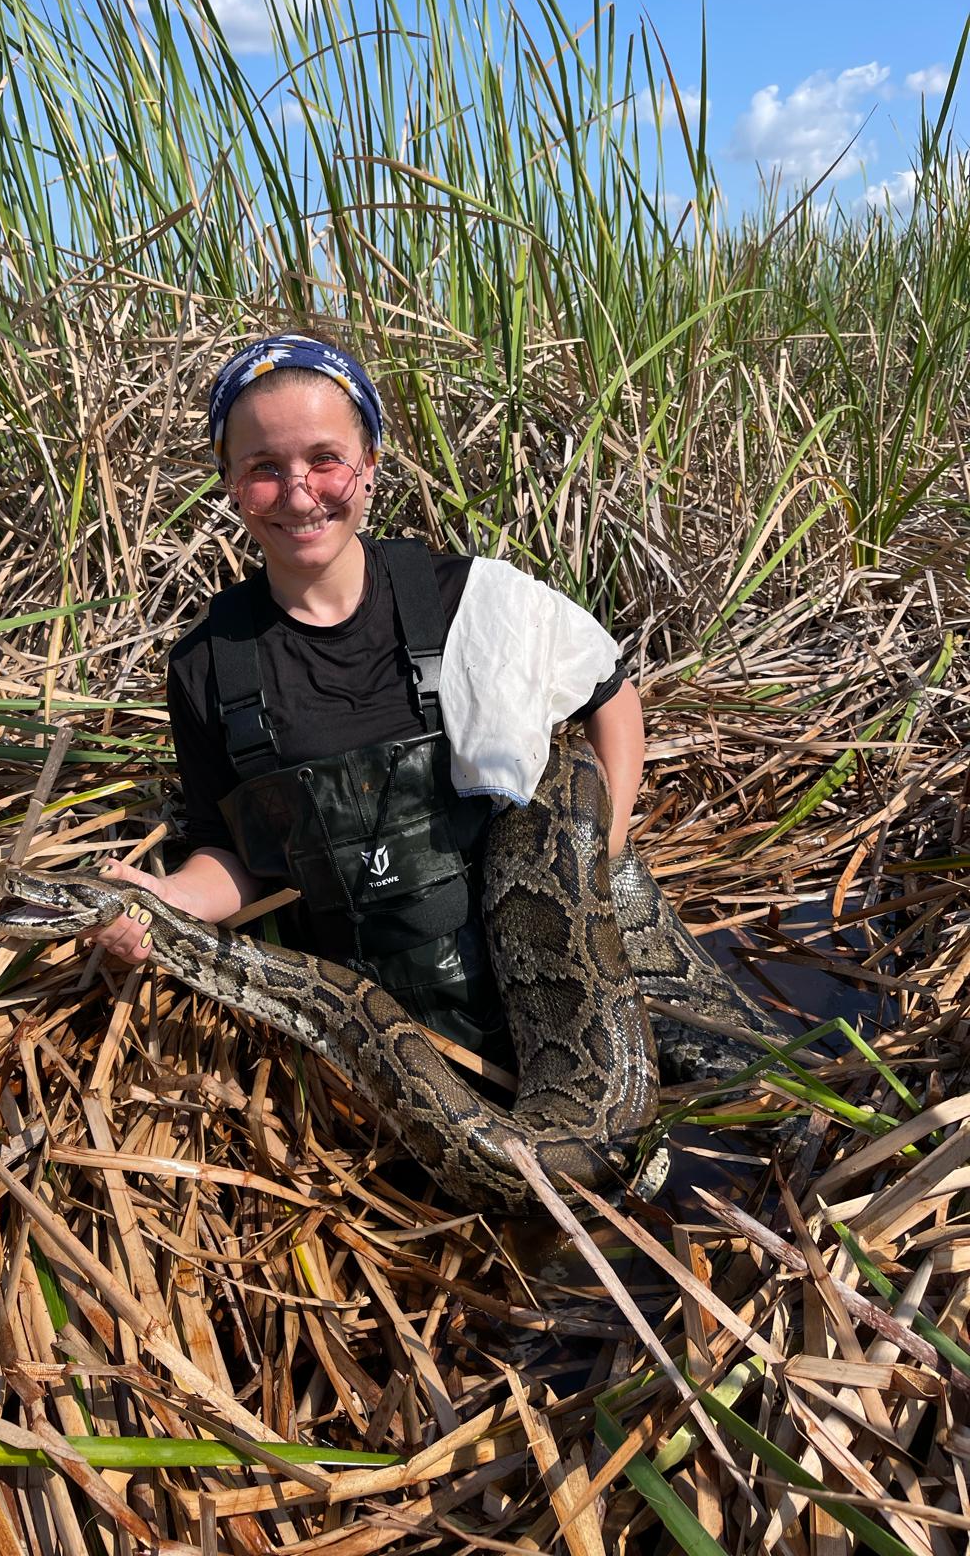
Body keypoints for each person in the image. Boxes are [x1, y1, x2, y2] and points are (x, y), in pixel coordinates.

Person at [90, 332, 645, 1072]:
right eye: (263, 469)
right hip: (369, 1030)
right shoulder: (206, 666)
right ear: (229, 482)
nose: (299, 495)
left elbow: (610, 695)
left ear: (371, 464)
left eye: (326, 459)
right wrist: (166, 904)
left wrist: (593, 869)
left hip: (550, 979)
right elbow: (233, 854)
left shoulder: (467, 599)